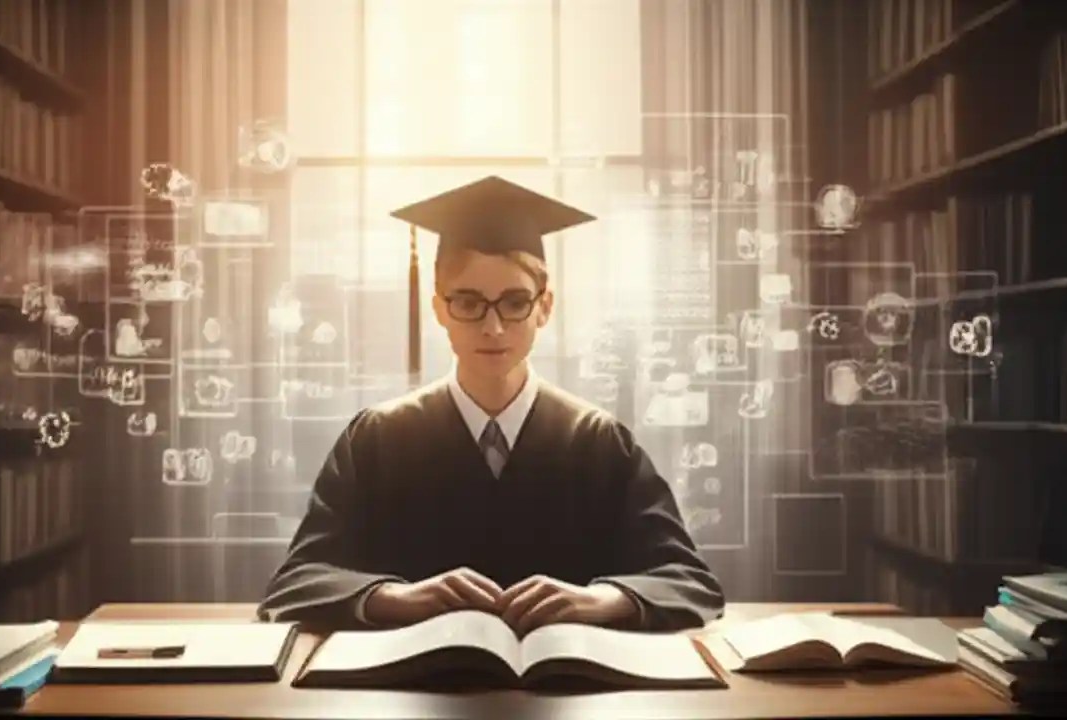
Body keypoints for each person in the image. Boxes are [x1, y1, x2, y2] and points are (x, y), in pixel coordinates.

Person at [257, 176, 725, 634]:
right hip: (409, 702)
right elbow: (296, 583)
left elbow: (688, 582)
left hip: (569, 700)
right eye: (468, 302)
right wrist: (397, 598)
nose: (493, 327)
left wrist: (598, 601)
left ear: (545, 307)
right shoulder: (378, 439)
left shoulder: (598, 442)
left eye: (516, 302)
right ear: (439, 308)